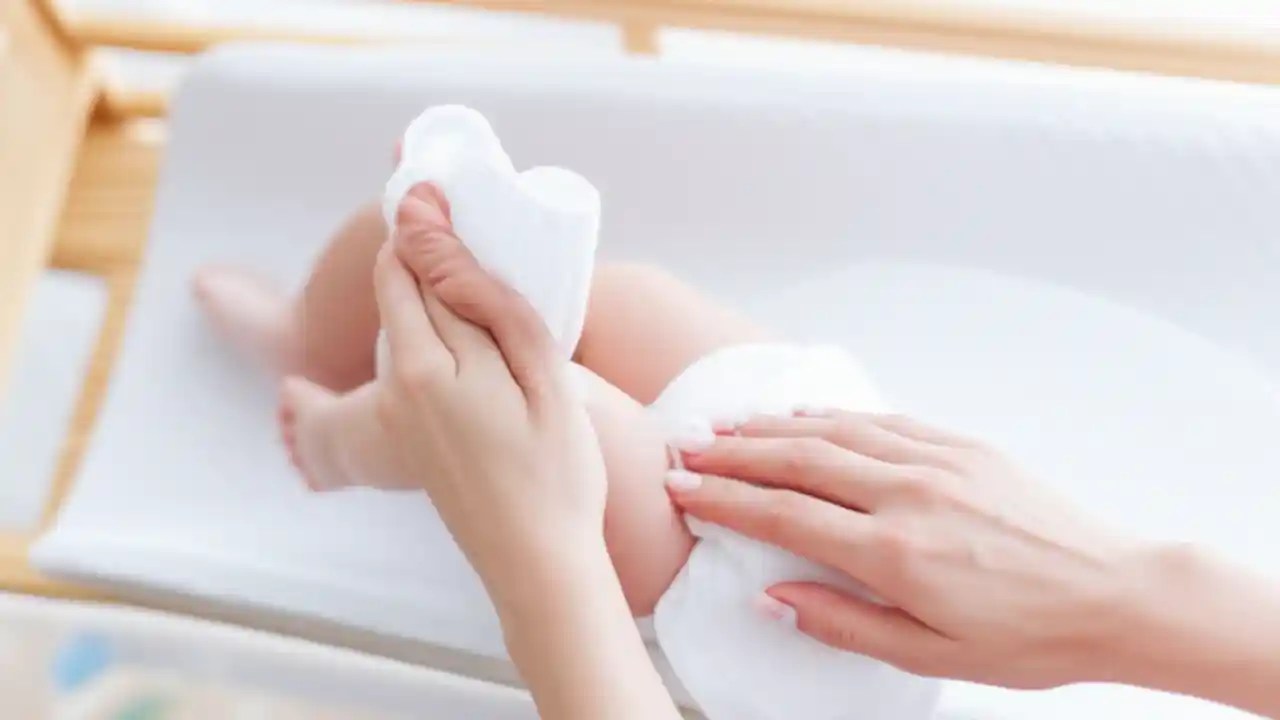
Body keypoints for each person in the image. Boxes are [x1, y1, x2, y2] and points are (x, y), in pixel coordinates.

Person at [365, 186, 1280, 719]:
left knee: (535, 394)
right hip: (888, 519)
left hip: (798, 647)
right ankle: (310, 351)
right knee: (598, 300)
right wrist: (1130, 596)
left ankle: (334, 439)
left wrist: (545, 577)